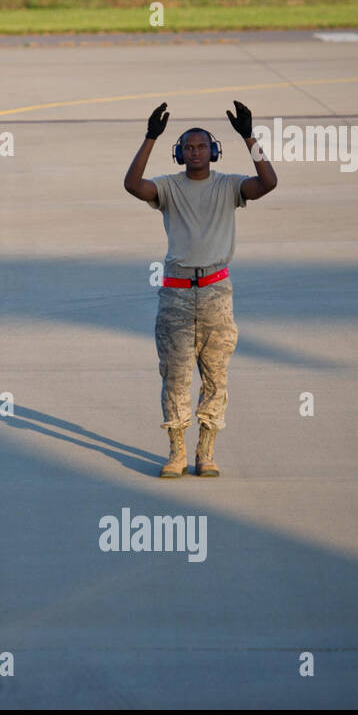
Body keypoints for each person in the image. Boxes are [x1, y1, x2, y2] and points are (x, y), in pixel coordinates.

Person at [123, 101, 278, 477]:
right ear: (179, 154)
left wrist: (248, 136)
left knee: (215, 375)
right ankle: (176, 451)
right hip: (176, 292)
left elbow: (267, 184)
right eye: (188, 147)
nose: (195, 152)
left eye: (201, 146)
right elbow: (132, 185)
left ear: (213, 151)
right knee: (175, 375)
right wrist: (150, 137)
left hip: (215, 292)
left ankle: (205, 450)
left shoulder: (228, 185)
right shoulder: (167, 187)